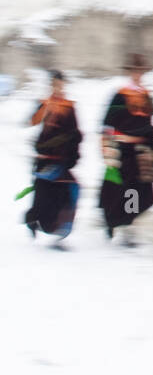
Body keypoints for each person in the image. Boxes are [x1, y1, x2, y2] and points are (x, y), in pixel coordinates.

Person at [99, 53, 153, 244]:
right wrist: (107, 147)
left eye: (140, 72)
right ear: (129, 72)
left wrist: (152, 145)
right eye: (134, 71)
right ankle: (117, 221)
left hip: (140, 151)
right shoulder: (119, 96)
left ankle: (128, 223)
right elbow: (108, 124)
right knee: (119, 189)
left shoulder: (147, 97)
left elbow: (149, 124)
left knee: (135, 189)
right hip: (121, 149)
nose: (137, 75)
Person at [19, 71, 82, 246]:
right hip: (44, 159)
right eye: (54, 84)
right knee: (42, 197)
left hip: (61, 160)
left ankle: (57, 232)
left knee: (65, 194)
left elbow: (75, 133)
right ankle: (34, 221)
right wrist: (44, 108)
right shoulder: (45, 104)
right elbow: (32, 121)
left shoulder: (69, 107)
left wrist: (73, 155)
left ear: (64, 85)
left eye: (60, 84)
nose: (58, 87)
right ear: (51, 85)